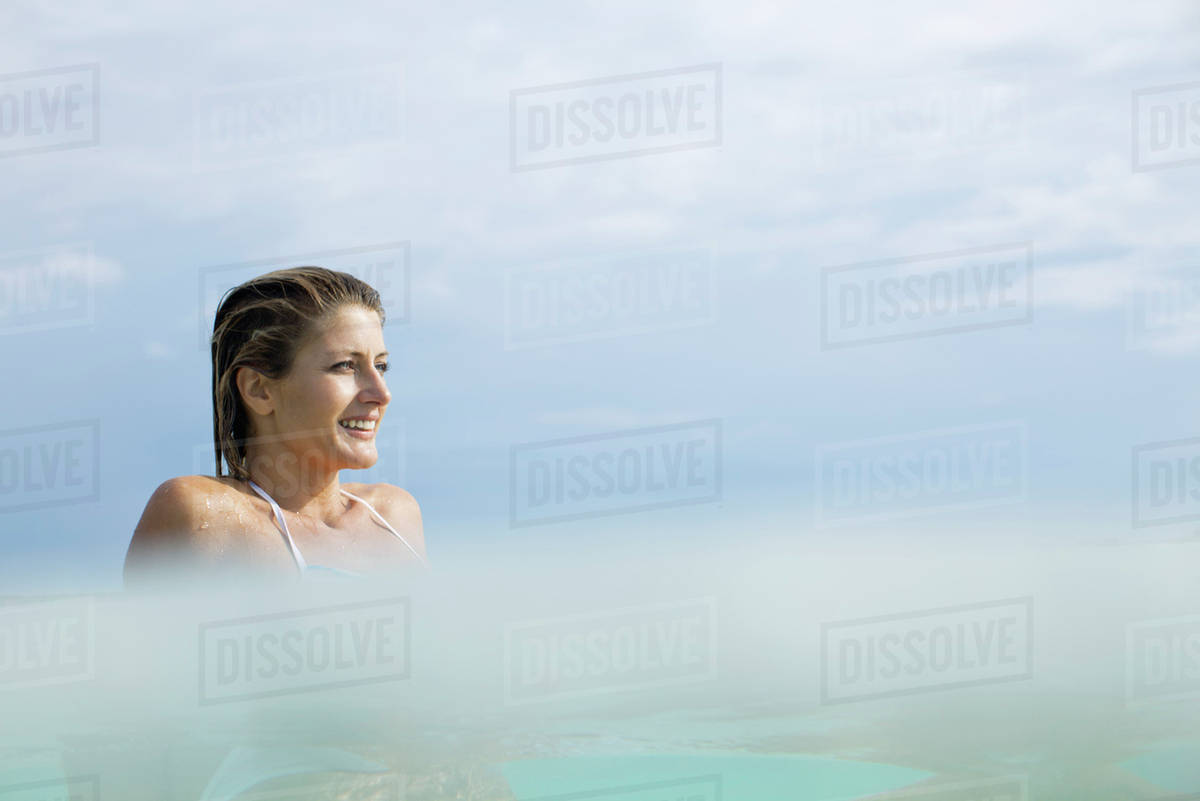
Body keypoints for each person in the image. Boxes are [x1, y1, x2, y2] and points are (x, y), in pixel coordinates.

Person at [124, 267, 426, 586]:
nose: (382, 394)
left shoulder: (395, 514)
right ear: (258, 389)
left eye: (380, 366)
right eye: (345, 366)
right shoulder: (203, 512)